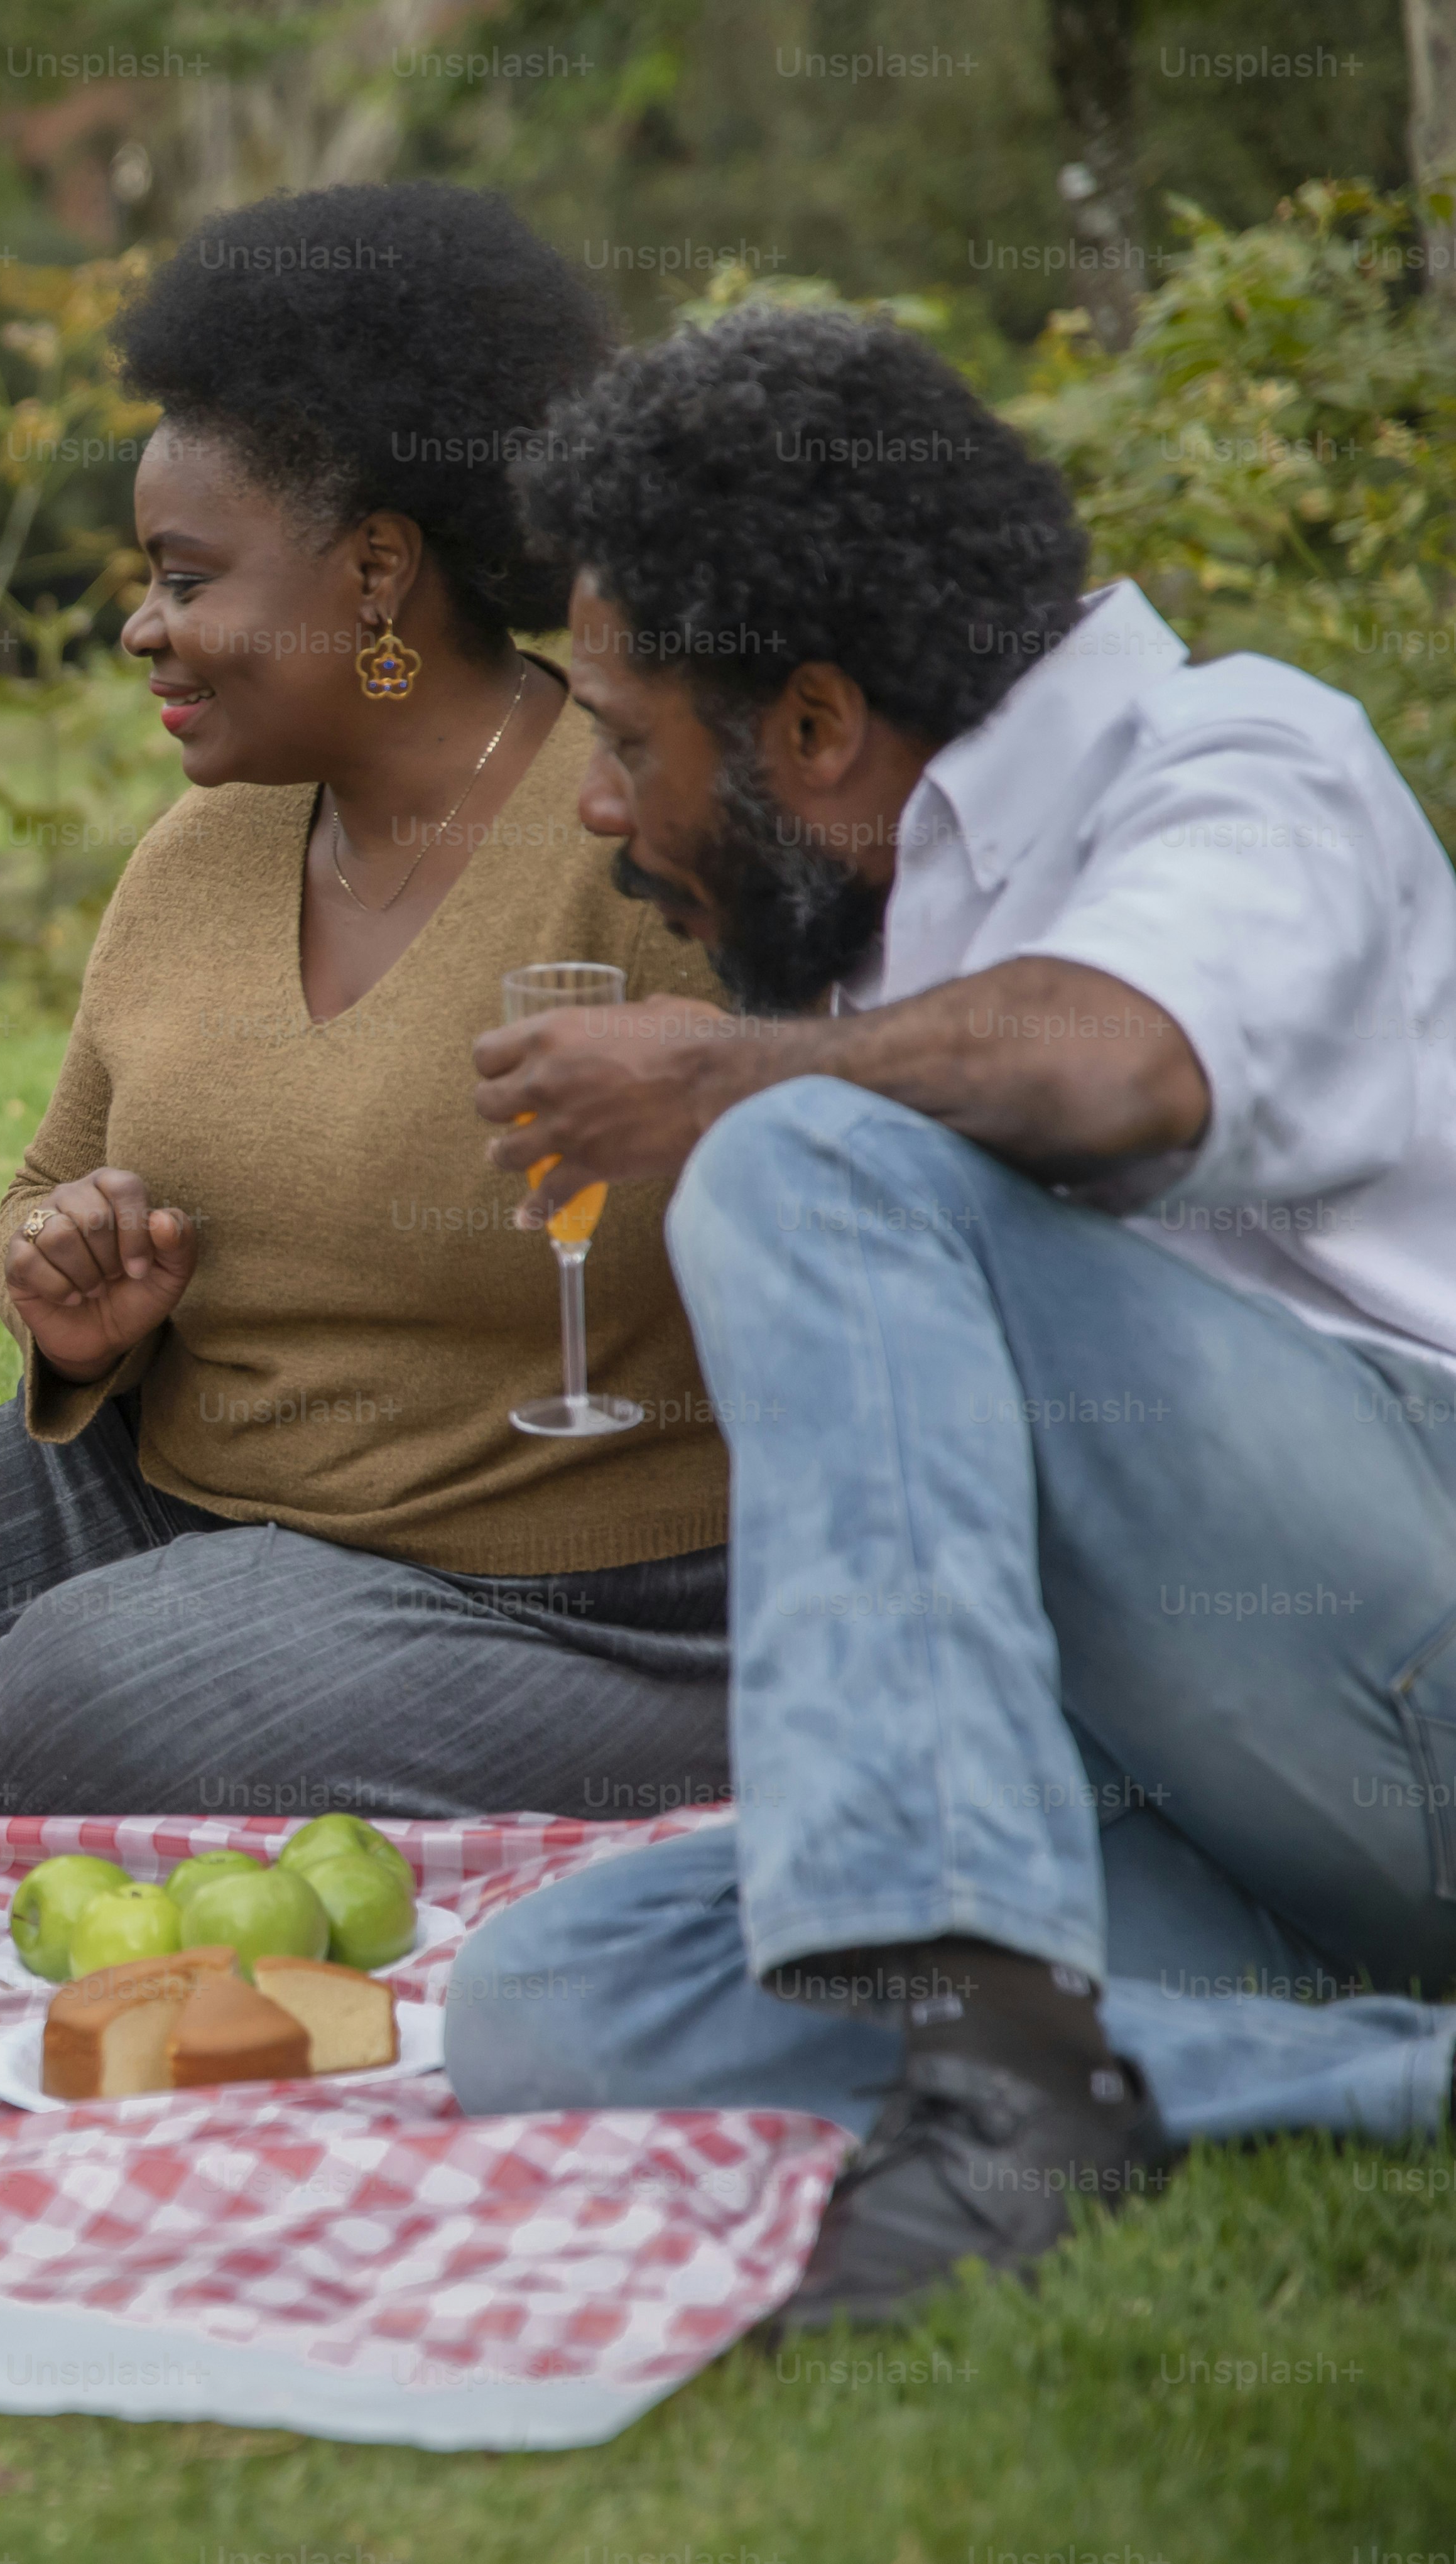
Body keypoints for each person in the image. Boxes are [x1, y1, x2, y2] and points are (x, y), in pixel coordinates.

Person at [442, 304, 1456, 2332]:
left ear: (810, 726)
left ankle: (1000, 2089)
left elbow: (1123, 1064)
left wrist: (725, 1082)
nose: (594, 808)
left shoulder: (1245, 761)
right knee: (551, 2000)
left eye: (627, 741)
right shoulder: (883, 932)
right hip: (1232, 1802)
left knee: (800, 1150)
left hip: (1403, 1653)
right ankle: (1281, 2062)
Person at [0, 182, 737, 1819]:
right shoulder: (206, 843)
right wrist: (66, 1286)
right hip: (159, 1478)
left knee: (60, 1712)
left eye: (183, 577)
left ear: (374, 571)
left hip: (531, 1579)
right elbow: (52, 1181)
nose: (139, 626)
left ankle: (689, 1734)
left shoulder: (626, 839)